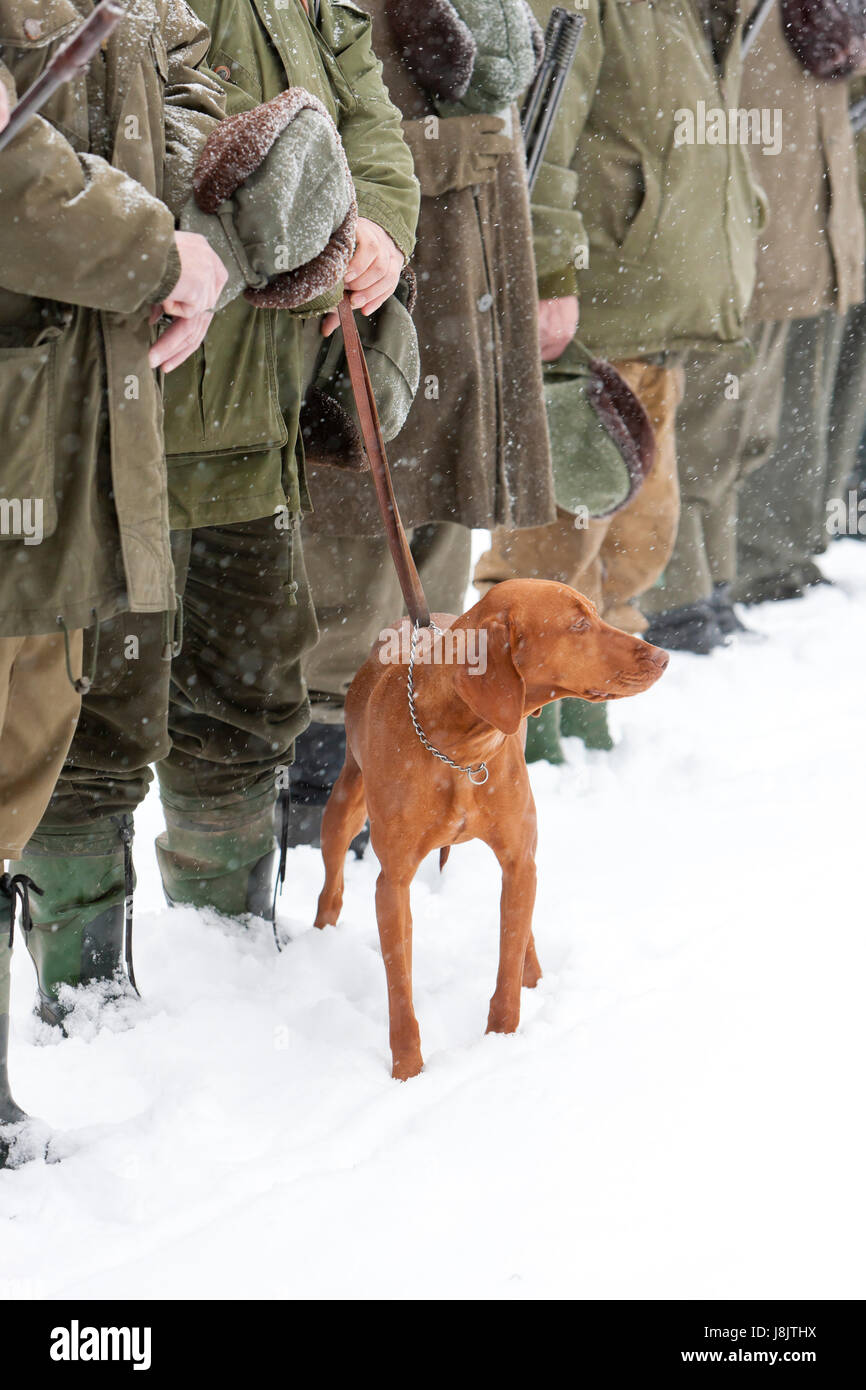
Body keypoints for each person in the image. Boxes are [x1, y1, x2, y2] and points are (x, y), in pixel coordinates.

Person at [12, 0, 420, 1029]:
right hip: (124, 404)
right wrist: (189, 256)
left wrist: (370, 221)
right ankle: (87, 992)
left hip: (262, 401)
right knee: (91, 716)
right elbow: (82, 158)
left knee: (250, 695)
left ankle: (232, 955)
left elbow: (359, 113)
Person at [0, 0, 228, 1167]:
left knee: (26, 729)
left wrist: (178, 241)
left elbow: (188, 78)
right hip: (22, 395)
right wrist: (153, 251)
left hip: (67, 398)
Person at [288, 0, 572, 840]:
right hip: (368, 267)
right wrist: (431, 159)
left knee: (446, 515)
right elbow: (291, 123)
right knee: (350, 528)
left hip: (472, 257)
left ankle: (420, 754)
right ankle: (323, 798)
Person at [475, 0, 761, 755]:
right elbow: (535, 132)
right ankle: (523, 718)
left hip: (657, 300)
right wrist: (548, 269)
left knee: (636, 532)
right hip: (595, 304)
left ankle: (591, 699)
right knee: (555, 527)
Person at [650, 4, 865, 646]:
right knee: (704, 427)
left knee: (749, 432)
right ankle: (682, 592)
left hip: (799, 237)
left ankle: (722, 582)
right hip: (743, 239)